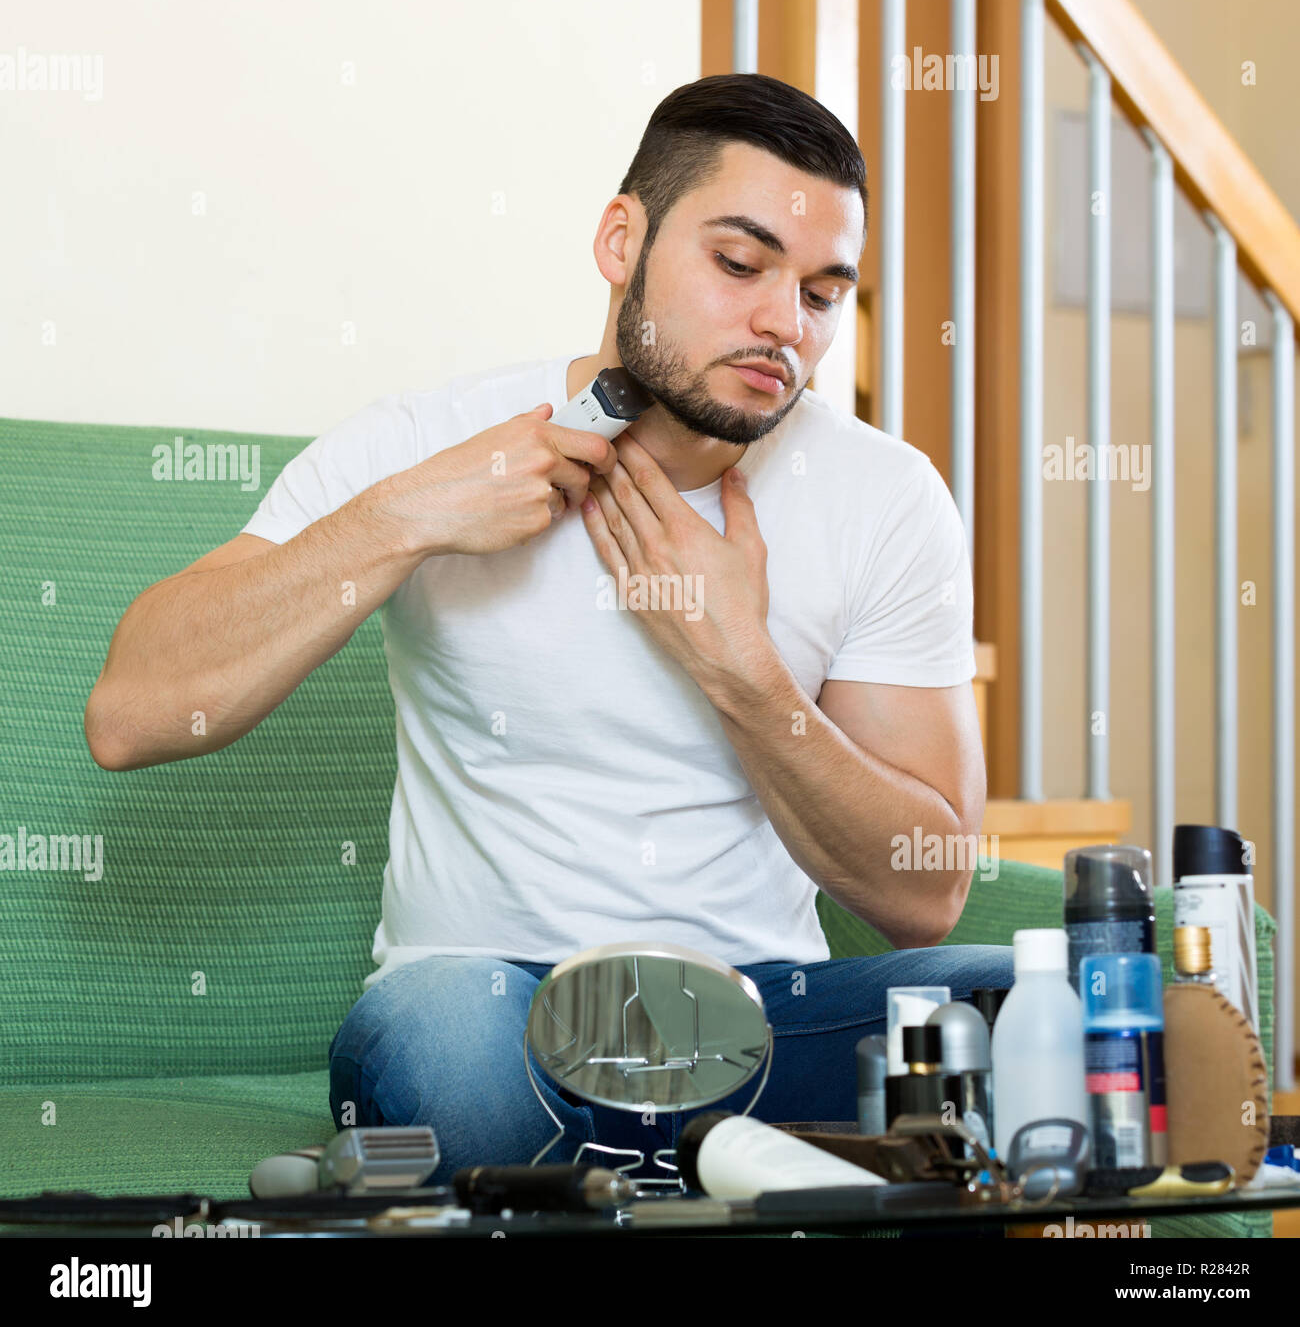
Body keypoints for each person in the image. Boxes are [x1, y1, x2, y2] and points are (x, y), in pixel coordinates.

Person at [85, 72, 1012, 1173]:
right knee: (445, 1049)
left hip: (756, 1014)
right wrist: (407, 518)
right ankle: (746, 1167)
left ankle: (653, 1166)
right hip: (490, 999)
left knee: (1032, 1004)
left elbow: (925, 887)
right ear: (621, 240)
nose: (782, 323)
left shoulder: (883, 495)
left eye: (821, 291)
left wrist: (740, 669)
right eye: (737, 262)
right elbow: (131, 712)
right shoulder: (432, 441)